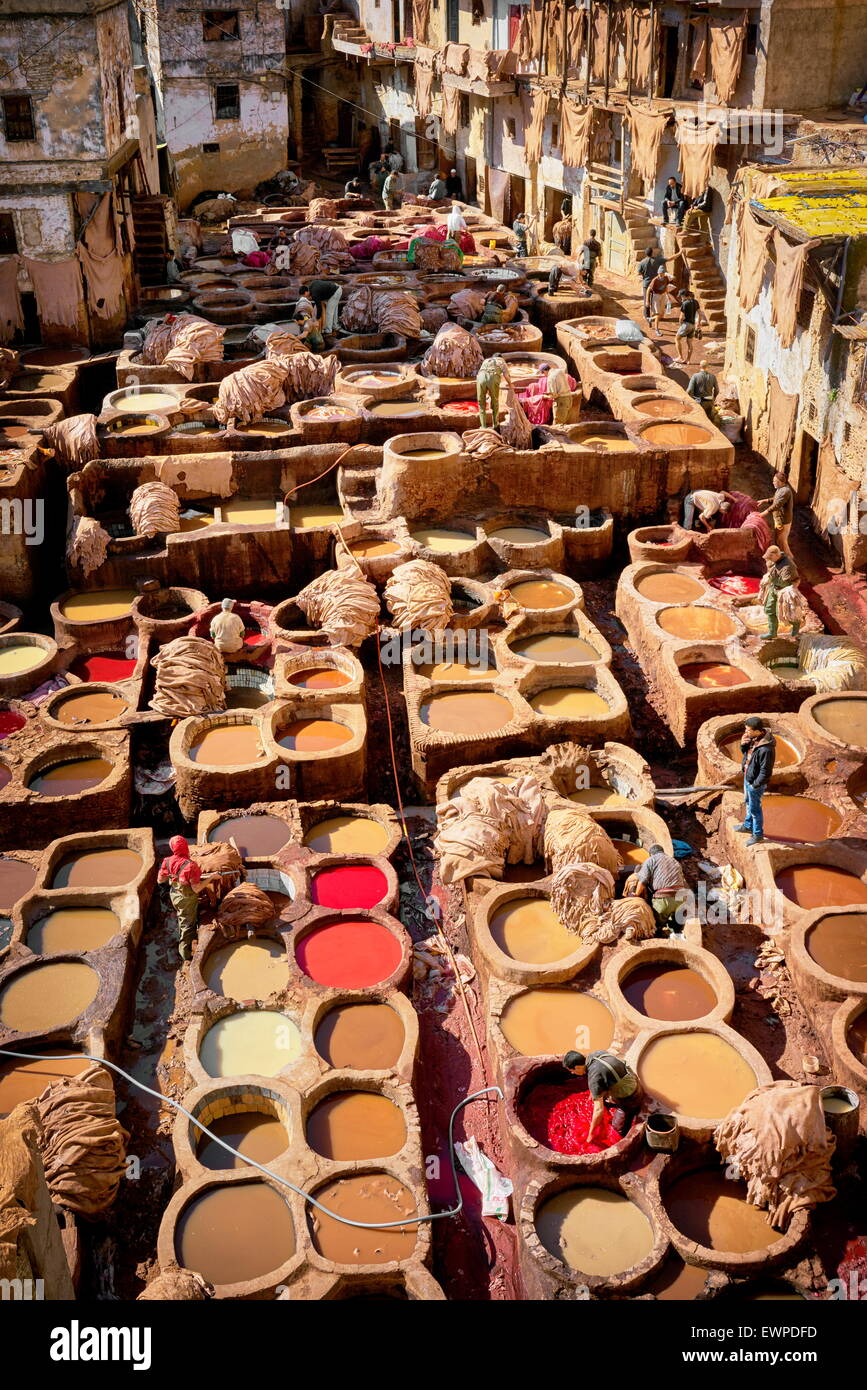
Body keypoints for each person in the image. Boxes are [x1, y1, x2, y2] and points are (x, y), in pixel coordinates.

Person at [563, 1050, 643, 1141]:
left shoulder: (594, 1076)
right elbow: (603, 1076)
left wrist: (591, 1134)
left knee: (617, 1129)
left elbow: (598, 1110)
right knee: (602, 1098)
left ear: (577, 1067)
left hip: (632, 1096)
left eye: (571, 1071)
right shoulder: (594, 1054)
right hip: (631, 1079)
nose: (572, 1073)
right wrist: (593, 1093)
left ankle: (631, 1111)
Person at [158, 835, 203, 962]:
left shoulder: (167, 861)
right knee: (187, 926)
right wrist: (212, 878)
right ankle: (186, 955)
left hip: (175, 895)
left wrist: (175, 876)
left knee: (183, 918)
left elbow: (160, 880)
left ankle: (188, 931)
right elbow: (197, 889)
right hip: (187, 899)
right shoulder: (191, 865)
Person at [734, 717, 776, 846]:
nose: (746, 732)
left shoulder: (766, 750)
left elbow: (765, 772)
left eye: (748, 730)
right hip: (749, 777)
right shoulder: (754, 739)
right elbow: (746, 755)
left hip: (755, 783)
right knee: (748, 803)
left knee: (755, 809)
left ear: (758, 731)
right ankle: (747, 826)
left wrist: (754, 785)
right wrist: (743, 744)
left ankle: (758, 835)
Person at [632, 843, 687, 932]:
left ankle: (660, 932)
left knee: (655, 924)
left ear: (651, 854)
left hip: (664, 901)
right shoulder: (675, 861)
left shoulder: (651, 860)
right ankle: (675, 932)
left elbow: (642, 880)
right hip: (681, 899)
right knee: (676, 925)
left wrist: (636, 894)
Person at [759, 544, 801, 641]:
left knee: (784, 613)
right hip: (774, 588)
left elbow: (787, 581)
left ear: (777, 555)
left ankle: (796, 625)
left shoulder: (788, 565)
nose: (769, 559)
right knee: (769, 610)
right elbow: (770, 570)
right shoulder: (774, 560)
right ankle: (772, 632)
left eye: (771, 557)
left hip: (784, 591)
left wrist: (771, 580)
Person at [757, 471, 795, 560]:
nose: (773, 482)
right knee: (778, 540)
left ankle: (790, 560)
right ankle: (782, 558)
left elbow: (777, 504)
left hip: (784, 521)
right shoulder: (781, 489)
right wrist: (765, 500)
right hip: (779, 520)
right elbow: (776, 499)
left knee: (782, 541)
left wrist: (764, 512)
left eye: (775, 481)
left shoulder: (785, 491)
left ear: (780, 482)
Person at [476, 353, 511, 429]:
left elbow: (482, 373)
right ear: (500, 357)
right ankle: (495, 425)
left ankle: (483, 426)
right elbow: (506, 375)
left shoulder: (486, 360)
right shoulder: (502, 361)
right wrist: (511, 385)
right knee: (495, 402)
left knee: (481, 403)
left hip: (480, 378)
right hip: (493, 378)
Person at [675, 287, 706, 363]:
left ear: (684, 295)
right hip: (693, 325)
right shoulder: (695, 302)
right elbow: (700, 314)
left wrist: (681, 325)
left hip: (686, 324)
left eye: (681, 296)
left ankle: (680, 357)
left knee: (677, 339)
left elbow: (681, 317)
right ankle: (688, 360)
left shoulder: (685, 303)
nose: (681, 298)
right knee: (689, 343)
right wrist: (698, 324)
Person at [637, 244, 668, 315]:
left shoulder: (642, 262)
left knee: (646, 300)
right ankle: (656, 314)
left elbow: (639, 272)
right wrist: (679, 253)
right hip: (655, 284)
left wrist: (643, 276)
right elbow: (669, 259)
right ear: (652, 253)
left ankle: (647, 315)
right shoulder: (657, 260)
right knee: (655, 300)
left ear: (646, 253)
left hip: (646, 284)